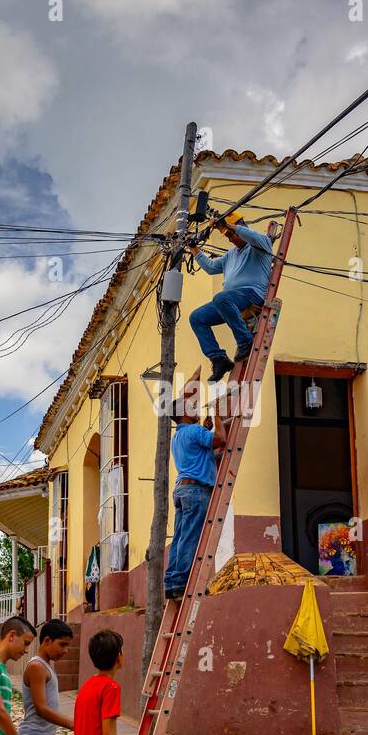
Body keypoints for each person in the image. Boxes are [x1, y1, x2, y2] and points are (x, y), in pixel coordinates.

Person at [189, 211, 276, 381]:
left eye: (230, 235)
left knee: (221, 298)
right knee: (197, 317)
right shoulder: (231, 255)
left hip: (253, 294)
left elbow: (251, 235)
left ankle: (245, 341)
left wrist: (227, 225)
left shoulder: (260, 245)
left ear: (240, 228)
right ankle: (218, 359)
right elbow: (211, 268)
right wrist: (194, 249)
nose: (229, 239)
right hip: (231, 300)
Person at [163, 399, 227, 601]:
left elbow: (200, 451)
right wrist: (217, 415)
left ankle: (172, 583)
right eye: (192, 408)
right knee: (191, 538)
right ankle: (182, 583)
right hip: (196, 491)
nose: (196, 409)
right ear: (184, 413)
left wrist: (203, 429)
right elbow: (220, 440)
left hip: (182, 490)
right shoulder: (193, 432)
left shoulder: (178, 436)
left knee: (180, 538)